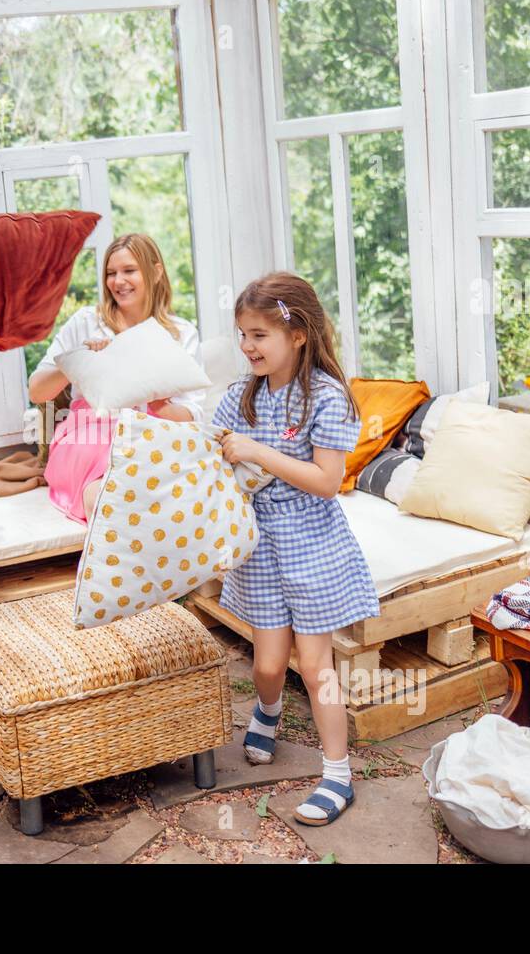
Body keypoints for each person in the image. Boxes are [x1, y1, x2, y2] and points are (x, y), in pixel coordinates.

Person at [212, 271, 380, 826]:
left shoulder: (328, 397)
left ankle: (338, 776)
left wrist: (256, 451)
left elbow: (327, 481)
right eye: (243, 335)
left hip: (312, 541)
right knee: (267, 665)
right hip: (259, 544)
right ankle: (268, 709)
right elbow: (213, 457)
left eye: (259, 335)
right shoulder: (241, 396)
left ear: (299, 333)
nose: (247, 346)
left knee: (315, 665)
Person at [28, 232, 205, 523]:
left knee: (156, 480)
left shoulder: (181, 333)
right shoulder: (86, 322)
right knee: (108, 490)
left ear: (156, 272)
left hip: (153, 431)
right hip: (90, 432)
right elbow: (37, 391)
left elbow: (192, 414)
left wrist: (158, 402)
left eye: (129, 271)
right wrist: (78, 362)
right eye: (111, 273)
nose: (118, 281)